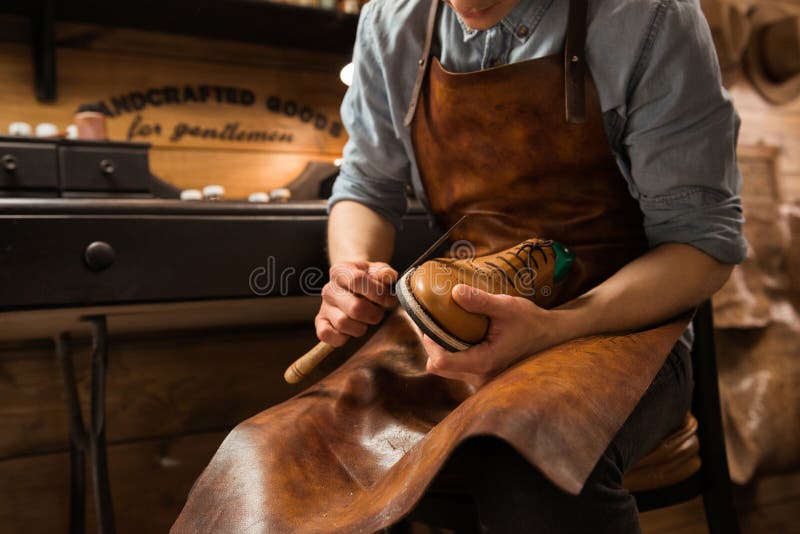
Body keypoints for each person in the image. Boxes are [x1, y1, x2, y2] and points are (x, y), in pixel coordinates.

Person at [173, 0, 746, 532]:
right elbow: (366, 187)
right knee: (268, 456)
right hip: (451, 322)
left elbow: (700, 247)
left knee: (519, 457)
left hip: (618, 329)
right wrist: (353, 269)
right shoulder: (392, 19)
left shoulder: (647, 16)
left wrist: (557, 326)